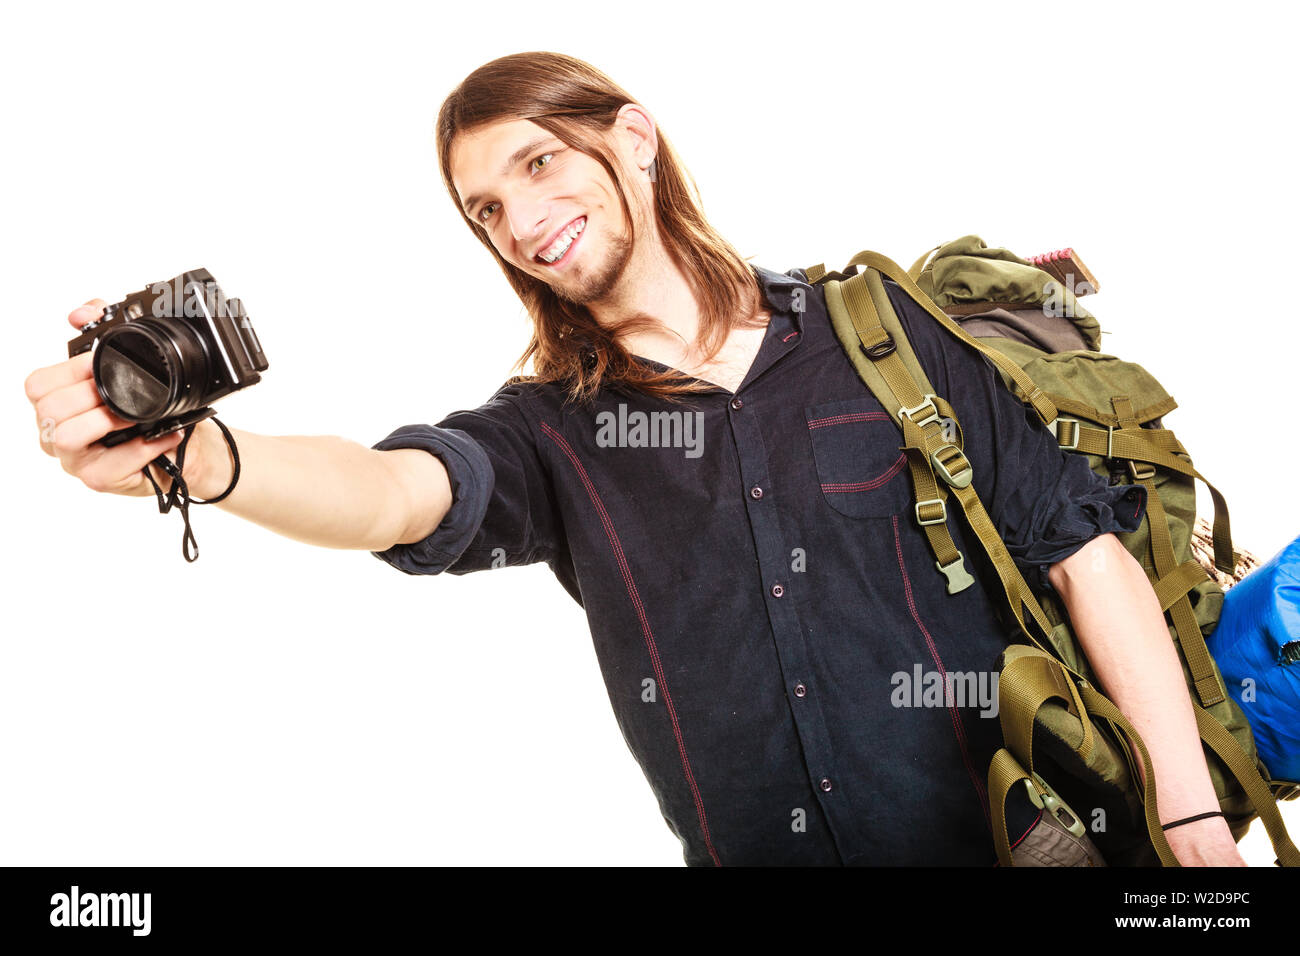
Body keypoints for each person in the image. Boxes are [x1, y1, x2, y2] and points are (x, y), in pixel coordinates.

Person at [24, 51, 1246, 866]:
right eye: (484, 208)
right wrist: (213, 458)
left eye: (537, 161)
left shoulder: (884, 341)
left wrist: (1185, 809)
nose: (519, 217)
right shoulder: (553, 426)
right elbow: (398, 493)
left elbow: (1084, 553)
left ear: (634, 139)